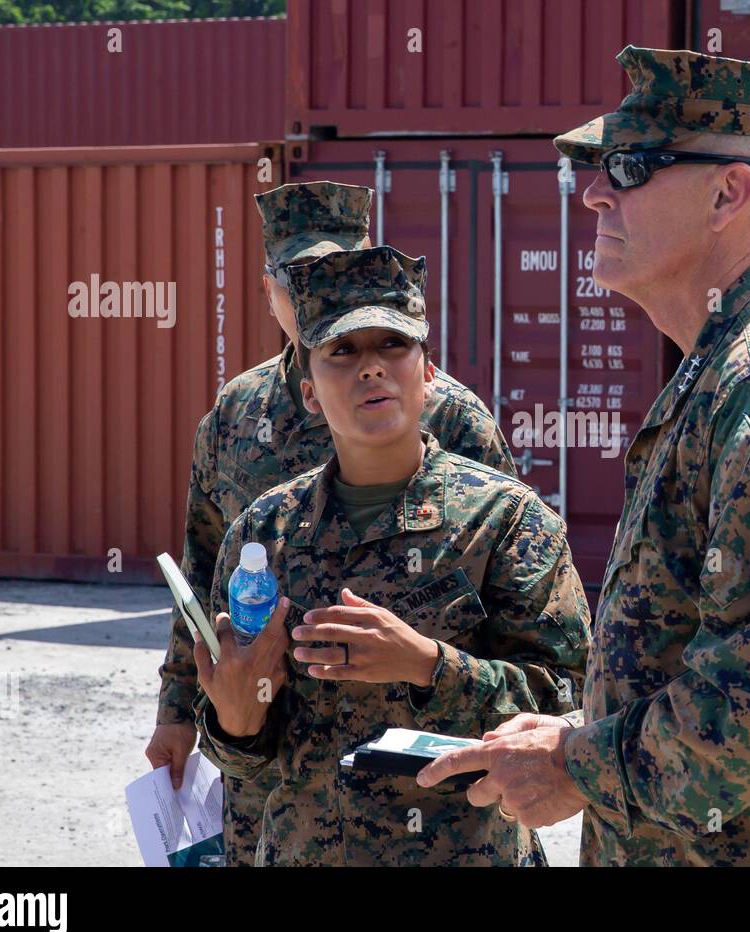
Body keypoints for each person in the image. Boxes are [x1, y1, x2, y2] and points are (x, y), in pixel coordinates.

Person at [419, 46, 750, 866]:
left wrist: (579, 766)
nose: (594, 192)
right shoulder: (727, 369)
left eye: (627, 167)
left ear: (728, 192)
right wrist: (581, 736)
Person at [147, 181, 516, 866]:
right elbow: (199, 574)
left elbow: (517, 594)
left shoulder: (449, 415)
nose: (327, 286)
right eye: (302, 275)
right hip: (274, 762)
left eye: (342, 265)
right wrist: (176, 711)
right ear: (269, 289)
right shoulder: (236, 415)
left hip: (424, 789)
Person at [191, 245, 590, 865]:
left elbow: (568, 707)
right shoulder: (264, 533)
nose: (370, 368)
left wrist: (428, 664)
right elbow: (239, 758)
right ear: (311, 392)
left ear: (429, 375)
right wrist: (236, 721)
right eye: (342, 352)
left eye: (392, 346)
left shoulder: (506, 520)